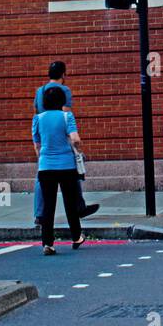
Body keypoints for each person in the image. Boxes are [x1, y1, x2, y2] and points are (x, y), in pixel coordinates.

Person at [32, 61, 99, 226]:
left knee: (42, 176)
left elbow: (36, 114)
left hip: (44, 138)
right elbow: (66, 114)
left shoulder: (39, 91)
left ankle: (39, 214)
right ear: (63, 75)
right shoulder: (64, 90)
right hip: (61, 137)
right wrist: (75, 143)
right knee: (71, 171)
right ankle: (78, 208)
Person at [31, 85, 85, 255]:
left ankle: (48, 243)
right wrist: (79, 148)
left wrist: (44, 157)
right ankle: (76, 237)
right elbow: (75, 138)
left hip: (46, 166)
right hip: (66, 165)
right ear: (62, 101)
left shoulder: (38, 119)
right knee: (70, 203)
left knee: (48, 205)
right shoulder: (66, 116)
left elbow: (37, 146)